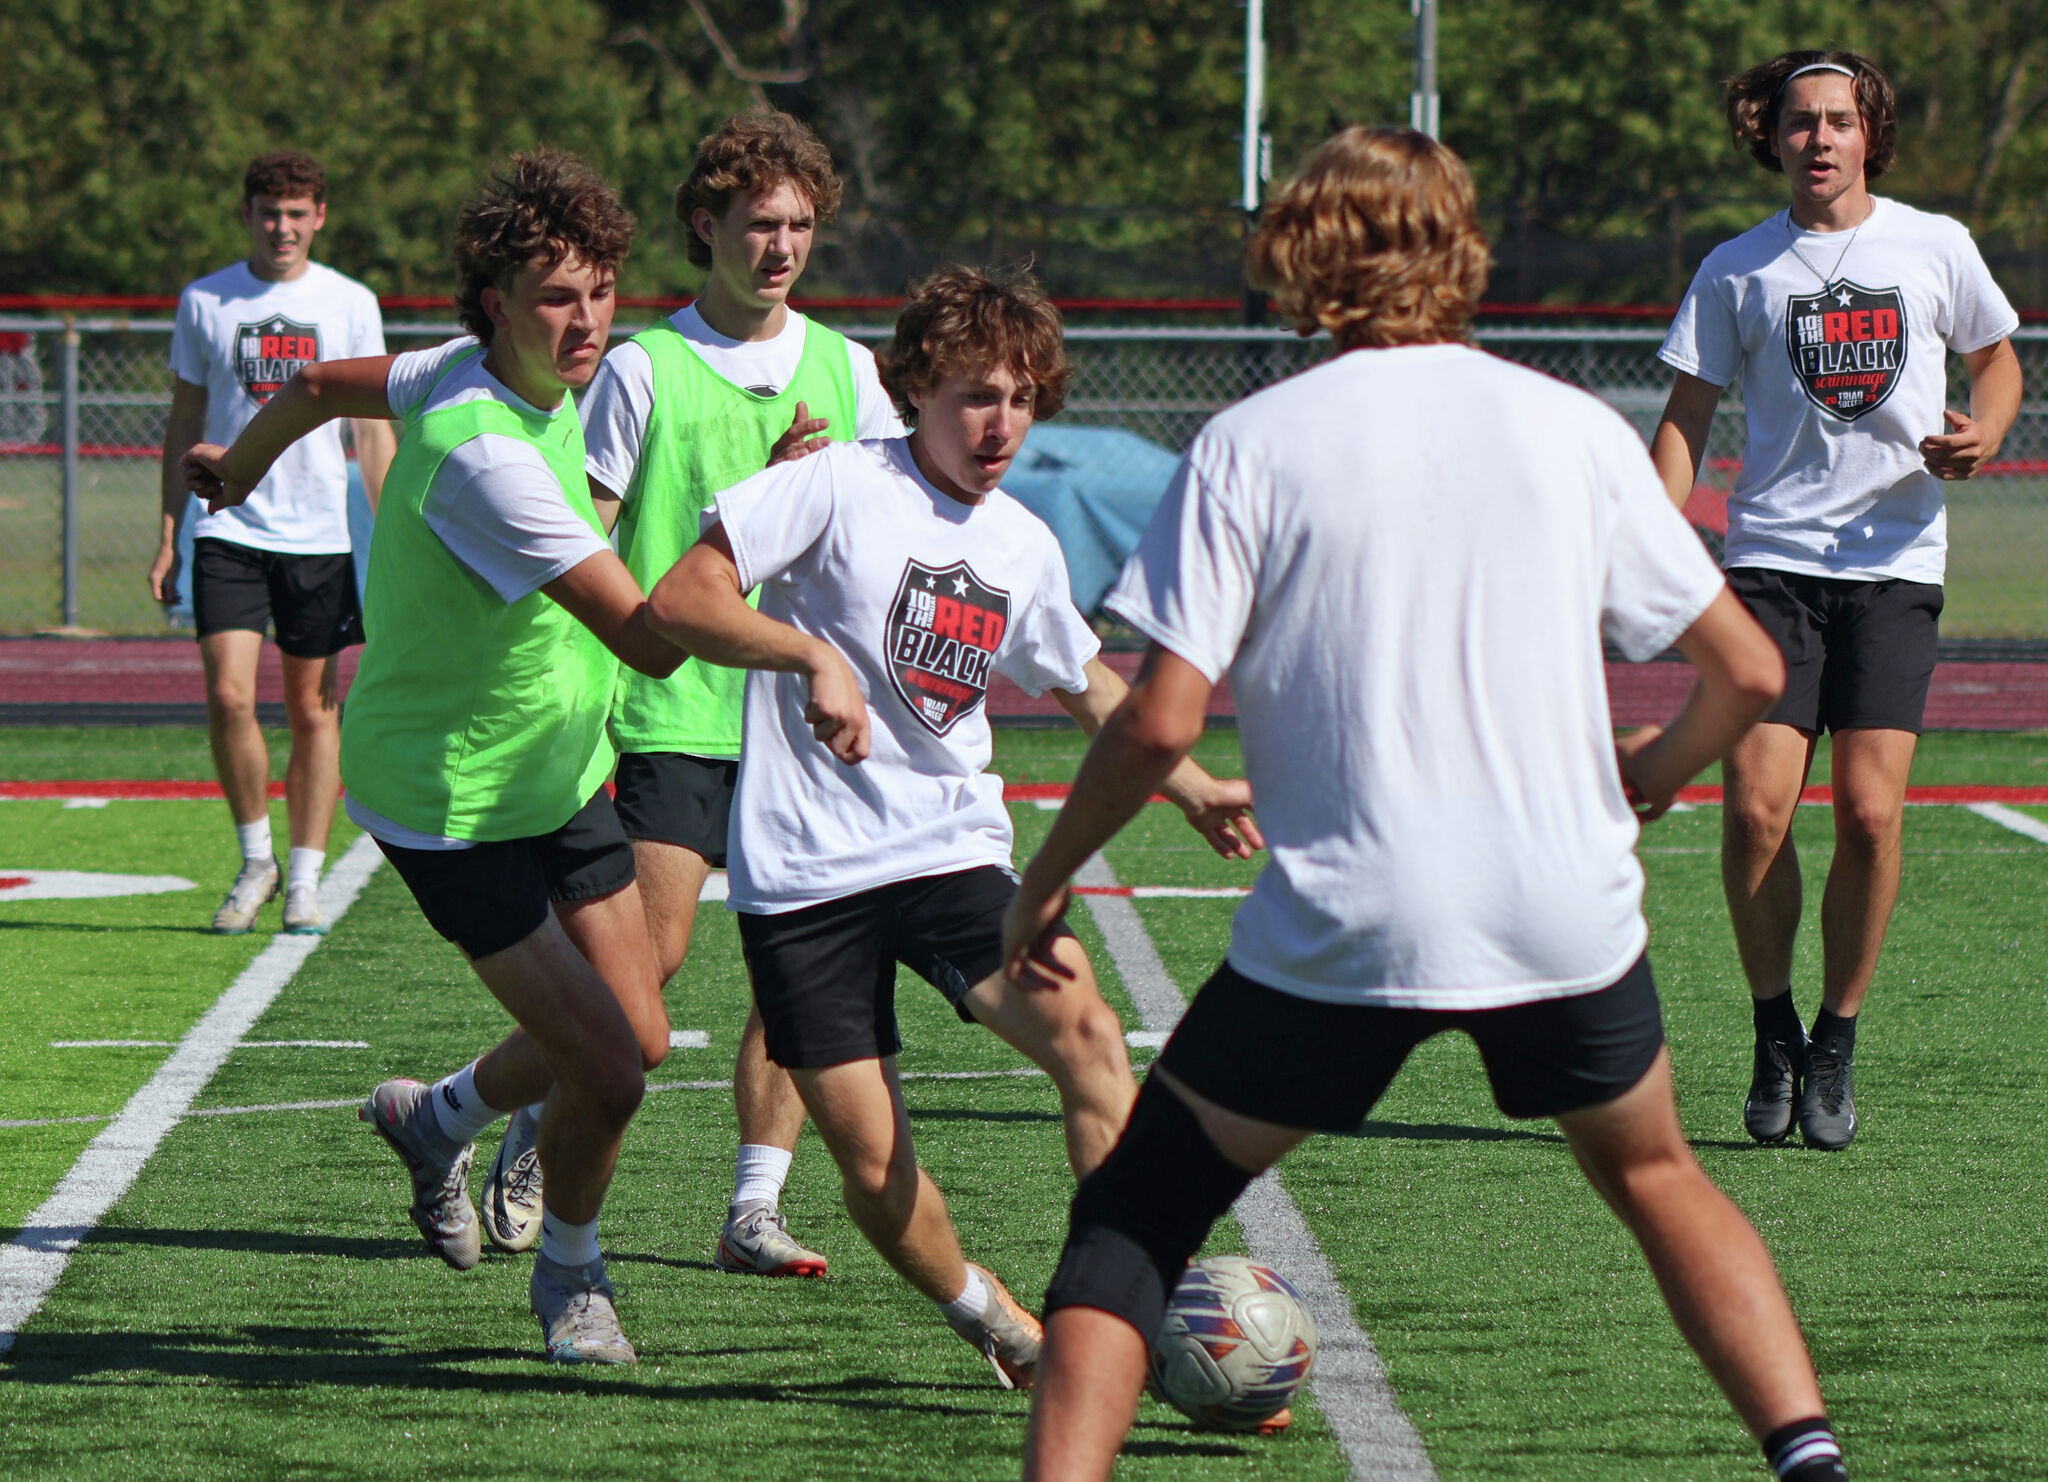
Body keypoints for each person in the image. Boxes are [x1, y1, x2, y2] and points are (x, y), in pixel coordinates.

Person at [1006, 127, 1852, 1482]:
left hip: (1351, 919)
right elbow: (1748, 672)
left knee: (1133, 1219)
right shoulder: (1570, 427)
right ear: (1460, 247)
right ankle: (1810, 1459)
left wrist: (1044, 882)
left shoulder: (1250, 441)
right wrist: (1647, 777)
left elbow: (1159, 719)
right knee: (1657, 1178)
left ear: (1299, 251)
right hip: (1559, 906)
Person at [645, 265, 1258, 1389]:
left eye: (1022, 399)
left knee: (1089, 1037)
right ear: (917, 387)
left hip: (949, 854)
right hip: (805, 881)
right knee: (875, 1173)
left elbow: (1085, 684)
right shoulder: (833, 482)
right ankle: (991, 1316)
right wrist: (809, 655)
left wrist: (1194, 785)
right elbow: (681, 600)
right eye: (978, 395)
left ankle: (1122, 1311)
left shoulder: (1022, 541)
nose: (1002, 424)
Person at [183, 151, 681, 1365]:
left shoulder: (455, 367)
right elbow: (647, 637)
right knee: (610, 1071)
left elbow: (316, 383)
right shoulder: (482, 451)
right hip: (452, 800)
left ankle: (438, 1117)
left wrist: (236, 471)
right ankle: (571, 1282)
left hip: (555, 767)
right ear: (497, 304)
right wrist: (776, 542)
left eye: (602, 290)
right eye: (556, 296)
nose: (588, 318)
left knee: (639, 1037)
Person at [472, 111, 910, 1276]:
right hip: (672, 714)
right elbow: (587, 540)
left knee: (803, 973)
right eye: (759, 223)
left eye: (799, 225)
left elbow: (885, 529)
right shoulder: (641, 366)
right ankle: (504, 1115)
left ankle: (753, 1209)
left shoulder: (850, 372)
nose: (781, 246)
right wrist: (753, 503)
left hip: (801, 722)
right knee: (637, 988)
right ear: (704, 226)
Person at [1651, 51, 2022, 1149]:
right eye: (1799, 122)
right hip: (1770, 565)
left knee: (1868, 814)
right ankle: (1772, 1031)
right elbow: (1684, 420)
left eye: (1839, 121)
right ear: (1770, 138)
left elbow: (1997, 364)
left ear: (1871, 136)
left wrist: (1987, 431)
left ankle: (1835, 1040)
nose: (1818, 138)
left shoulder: (1934, 244)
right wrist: (1640, 540)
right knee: (1755, 812)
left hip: (1894, 566)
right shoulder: (1735, 267)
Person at [152, 150, 396, 936]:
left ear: (318, 216)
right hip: (227, 524)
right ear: (247, 214)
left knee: (313, 710)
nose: (281, 227)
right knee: (229, 696)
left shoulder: (350, 302)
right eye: (268, 212)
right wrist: (169, 534)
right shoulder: (205, 300)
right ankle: (256, 860)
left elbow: (372, 432)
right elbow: (184, 423)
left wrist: (394, 536)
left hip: (319, 536)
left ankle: (305, 879)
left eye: (296, 213)